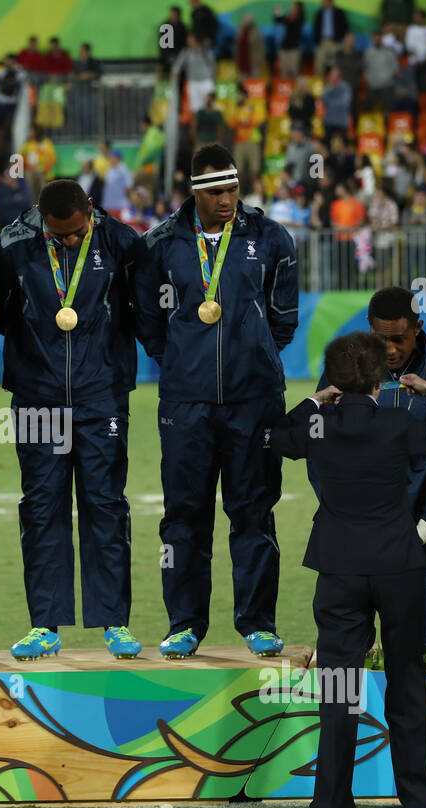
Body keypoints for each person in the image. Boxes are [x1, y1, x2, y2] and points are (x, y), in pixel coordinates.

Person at [269, 331, 426, 808]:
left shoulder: (318, 425)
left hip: (338, 569)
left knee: (339, 686)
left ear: (335, 381)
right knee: (406, 678)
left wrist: (314, 402)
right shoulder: (399, 423)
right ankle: (418, 796)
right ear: (382, 380)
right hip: (398, 566)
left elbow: (273, 437)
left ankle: (332, 804)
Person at [134, 144, 299, 659]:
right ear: (194, 191)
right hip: (186, 403)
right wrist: (183, 362)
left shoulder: (270, 237)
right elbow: (147, 320)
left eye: (233, 189)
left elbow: (284, 318)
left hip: (255, 399)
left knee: (254, 511)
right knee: (184, 515)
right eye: (216, 192)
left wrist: (255, 357)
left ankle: (257, 623)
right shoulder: (160, 243)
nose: (227, 200)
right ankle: (185, 624)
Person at [0, 179, 146, 660]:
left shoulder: (121, 242)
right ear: (42, 218)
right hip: (37, 396)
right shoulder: (10, 246)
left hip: (102, 394)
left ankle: (114, 622)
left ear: (90, 210)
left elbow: (141, 309)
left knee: (106, 504)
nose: (71, 240)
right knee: (41, 507)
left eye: (78, 232)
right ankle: (45, 624)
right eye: (60, 236)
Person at [308, 288, 426, 652]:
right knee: (344, 658)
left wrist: (424, 529)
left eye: (399, 339)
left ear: (418, 328)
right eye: (380, 338)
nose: (389, 349)